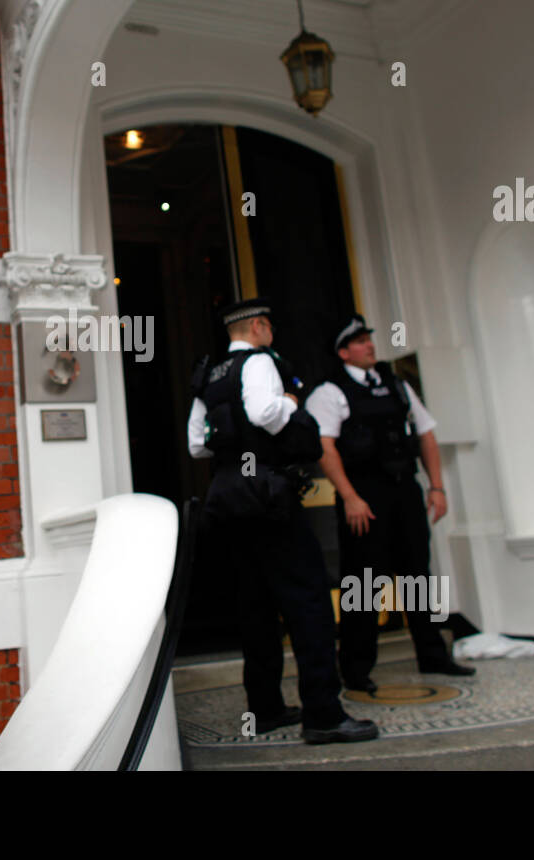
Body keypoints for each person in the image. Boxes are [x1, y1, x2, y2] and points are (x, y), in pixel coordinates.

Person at [188, 299, 378, 745]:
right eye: (269, 326)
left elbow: (198, 444)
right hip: (268, 495)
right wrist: (290, 402)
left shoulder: (210, 375)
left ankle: (267, 707)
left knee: (254, 605)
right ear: (257, 326)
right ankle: (324, 714)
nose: (272, 333)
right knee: (308, 601)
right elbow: (264, 413)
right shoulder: (259, 362)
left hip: (229, 495)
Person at [307, 314, 475, 692]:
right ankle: (356, 667)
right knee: (364, 583)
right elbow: (324, 446)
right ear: (343, 351)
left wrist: (436, 487)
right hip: (364, 496)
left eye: (369, 338)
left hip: (404, 491)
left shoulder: (396, 385)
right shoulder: (329, 392)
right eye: (361, 340)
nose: (370, 345)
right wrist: (349, 497)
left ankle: (432, 654)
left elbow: (426, 434)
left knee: (417, 573)